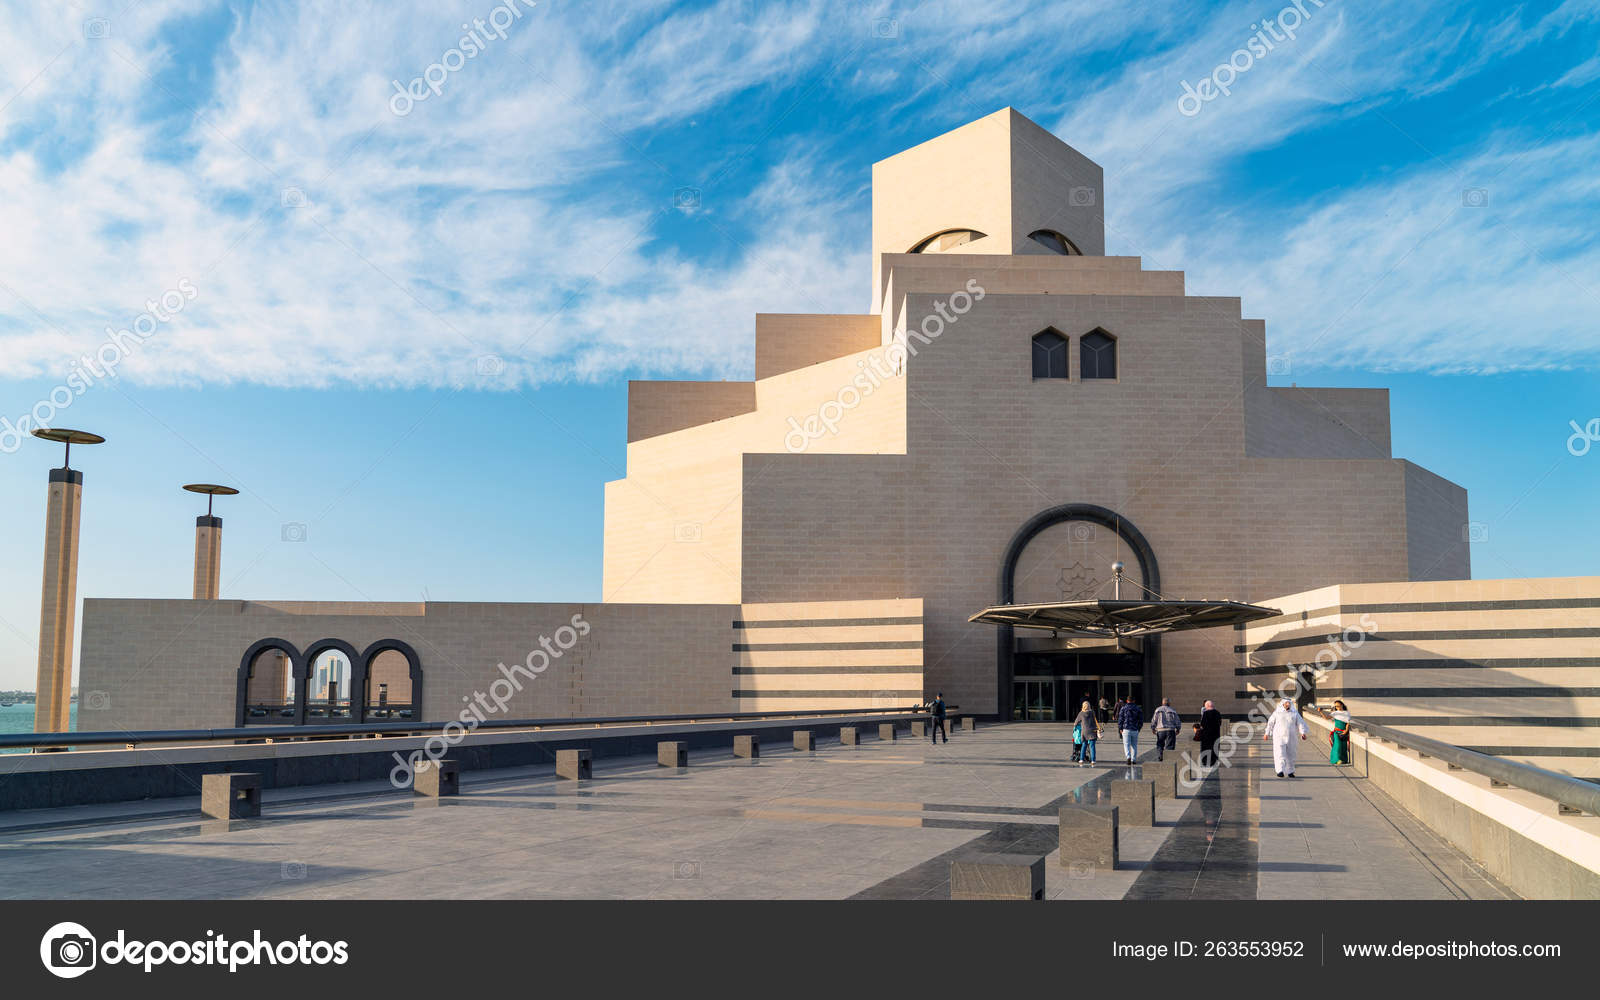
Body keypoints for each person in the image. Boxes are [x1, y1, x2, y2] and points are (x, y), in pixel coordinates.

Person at [1263, 698, 1308, 777]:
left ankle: (1290, 771)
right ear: (1283, 704)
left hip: (1291, 737)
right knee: (1279, 753)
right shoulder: (1277, 713)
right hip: (1279, 737)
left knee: (1291, 754)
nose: (1288, 705)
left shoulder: (1294, 713)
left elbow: (1300, 723)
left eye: (1289, 703)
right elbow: (1270, 723)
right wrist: (1266, 733)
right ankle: (1280, 770)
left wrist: (1302, 733)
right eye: (1286, 703)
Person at [1073, 700, 1100, 765]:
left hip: (1084, 732)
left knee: (1084, 746)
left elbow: (1075, 722)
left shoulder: (1081, 713)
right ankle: (1093, 760)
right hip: (1092, 731)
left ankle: (1081, 759)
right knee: (1092, 746)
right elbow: (1094, 721)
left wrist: (1077, 724)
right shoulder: (1092, 712)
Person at [1117, 698, 1143, 763]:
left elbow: (1120, 719)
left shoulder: (1123, 708)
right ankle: (1133, 759)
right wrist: (1139, 728)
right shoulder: (1137, 708)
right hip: (1135, 729)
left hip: (1126, 729)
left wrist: (1120, 728)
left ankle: (1128, 757)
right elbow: (1141, 720)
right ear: (1133, 701)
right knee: (1134, 745)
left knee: (1126, 744)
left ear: (1127, 701)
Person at [1198, 700, 1223, 767]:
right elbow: (1220, 723)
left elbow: (1202, 724)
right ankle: (1214, 762)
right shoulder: (1217, 713)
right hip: (1216, 734)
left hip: (1206, 735)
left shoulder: (1205, 714)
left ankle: (1206, 762)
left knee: (1206, 748)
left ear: (1207, 706)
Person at [1329, 699, 1352, 766]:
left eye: (1338, 706)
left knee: (1343, 746)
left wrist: (1346, 731)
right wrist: (1321, 712)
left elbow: (1348, 722)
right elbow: (1327, 717)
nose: (1337, 707)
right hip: (1336, 732)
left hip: (1344, 732)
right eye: (1336, 706)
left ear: (1342, 705)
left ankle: (1344, 760)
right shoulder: (1335, 713)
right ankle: (1337, 760)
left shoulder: (1346, 713)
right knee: (1337, 745)